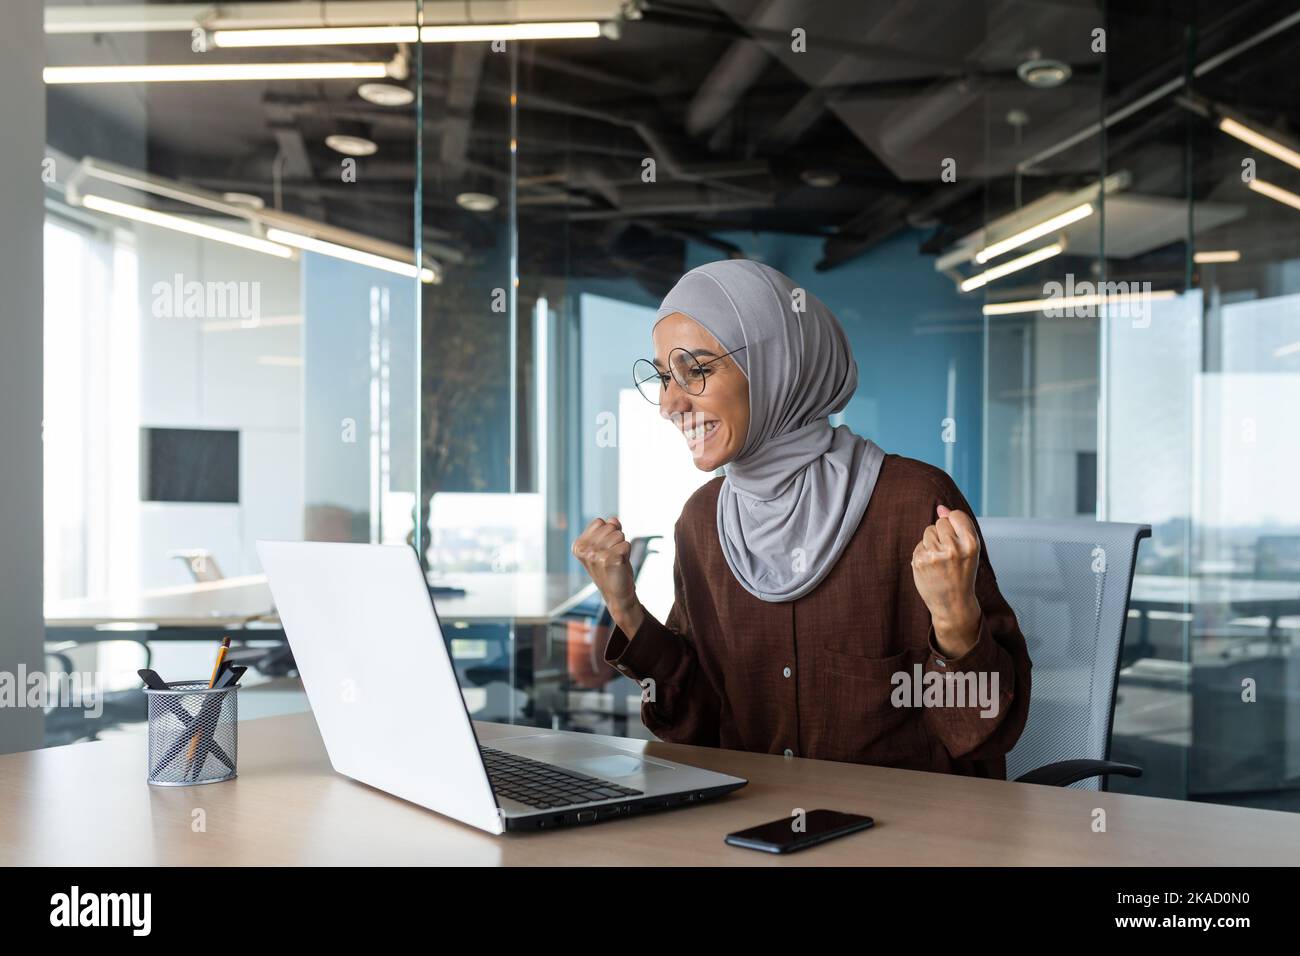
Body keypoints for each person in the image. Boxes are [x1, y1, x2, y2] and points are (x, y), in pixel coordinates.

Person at [572, 259, 1031, 777]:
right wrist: (625, 608)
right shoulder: (702, 522)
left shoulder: (913, 502)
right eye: (661, 378)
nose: (669, 404)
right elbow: (696, 726)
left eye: (695, 371)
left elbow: (983, 733)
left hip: (906, 838)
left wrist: (954, 620)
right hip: (752, 834)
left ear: (776, 364)